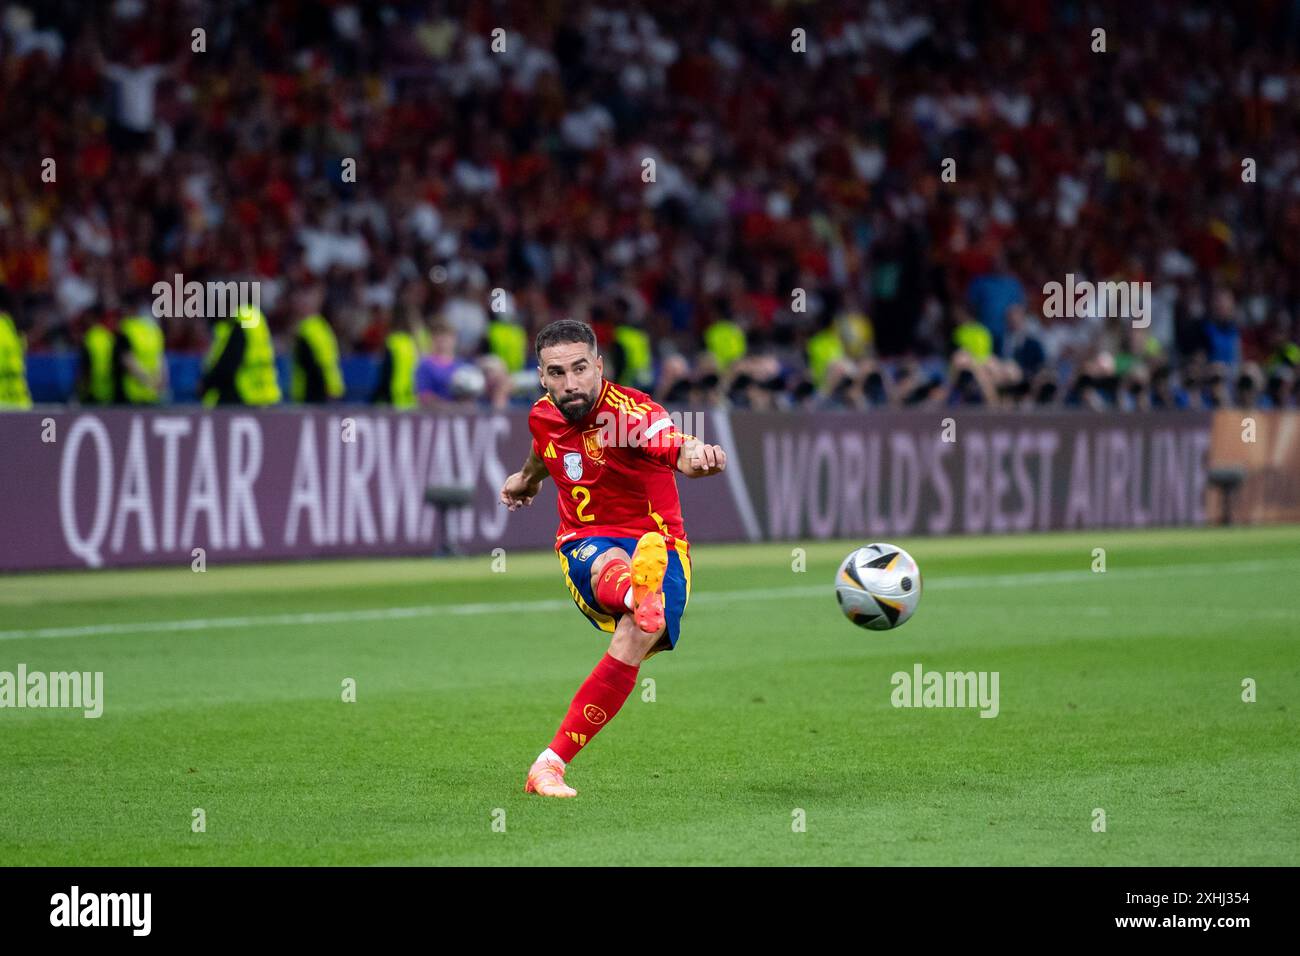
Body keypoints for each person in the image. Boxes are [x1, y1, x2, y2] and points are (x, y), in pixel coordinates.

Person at [498, 319, 727, 798]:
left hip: (662, 545)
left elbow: (673, 445)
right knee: (615, 573)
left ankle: (548, 765)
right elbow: (545, 453)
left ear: (599, 366)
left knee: (637, 632)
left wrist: (697, 455)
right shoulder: (542, 415)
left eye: (580, 369)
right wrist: (526, 480)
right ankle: (634, 591)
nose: (570, 382)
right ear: (542, 377)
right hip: (585, 542)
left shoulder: (630, 413)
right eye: (556, 373)